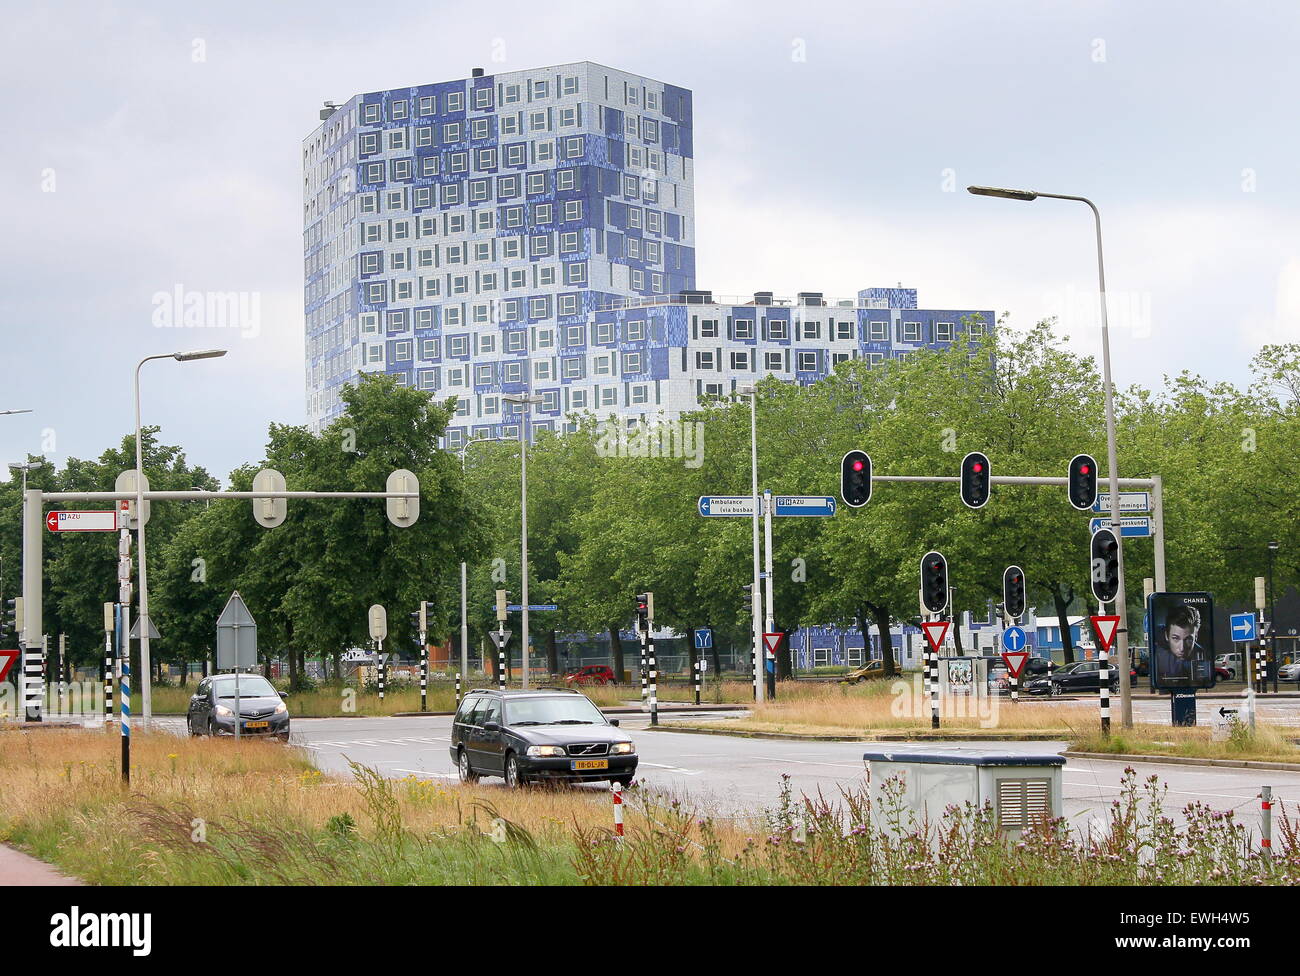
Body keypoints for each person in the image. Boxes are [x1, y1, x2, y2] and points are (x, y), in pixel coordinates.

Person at [1154, 604, 1203, 682]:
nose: (1182, 648)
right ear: (1166, 636)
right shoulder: (1157, 653)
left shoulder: (1202, 654)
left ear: (1196, 636)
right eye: (1176, 638)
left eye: (1188, 639)